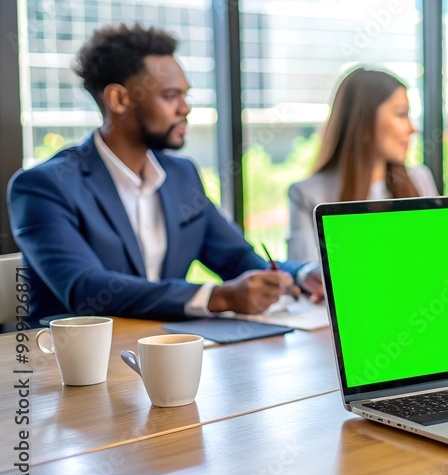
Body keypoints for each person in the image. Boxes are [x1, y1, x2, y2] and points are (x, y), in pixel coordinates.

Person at [6, 24, 324, 327]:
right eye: (171, 96)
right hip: (75, 369)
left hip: (169, 350)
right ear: (119, 99)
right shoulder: (43, 186)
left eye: (186, 95)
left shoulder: (181, 175)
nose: (185, 108)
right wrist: (217, 296)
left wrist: (302, 274)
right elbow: (85, 289)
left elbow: (238, 261)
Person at [286, 68, 438, 262]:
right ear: (365, 120)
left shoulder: (419, 179)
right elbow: (306, 273)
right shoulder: (306, 194)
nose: (412, 128)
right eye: (401, 115)